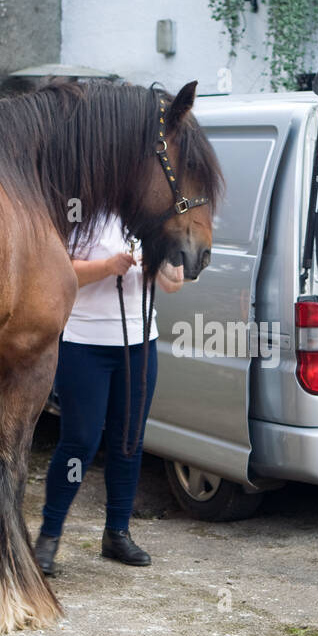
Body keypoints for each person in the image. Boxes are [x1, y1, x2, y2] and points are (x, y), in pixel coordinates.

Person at [34, 214, 184, 575]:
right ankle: (49, 536)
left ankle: (117, 532)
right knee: (80, 442)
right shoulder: (83, 213)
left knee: (129, 441)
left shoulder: (151, 218)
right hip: (85, 343)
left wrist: (159, 263)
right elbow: (60, 272)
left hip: (139, 344)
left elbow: (175, 283)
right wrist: (107, 266)